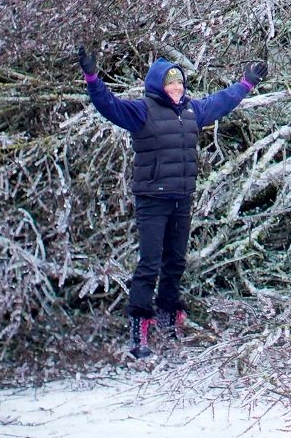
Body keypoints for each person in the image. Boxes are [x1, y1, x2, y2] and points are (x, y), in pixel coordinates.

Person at [76, 46, 268, 358]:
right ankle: (139, 330)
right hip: (152, 200)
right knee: (150, 263)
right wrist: (92, 78)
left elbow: (222, 101)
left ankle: (168, 321)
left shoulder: (193, 110)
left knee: (176, 262)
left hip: (182, 198)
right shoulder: (142, 111)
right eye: (170, 83)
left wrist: (246, 84)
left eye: (179, 82)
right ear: (158, 86)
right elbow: (108, 105)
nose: (176, 87)